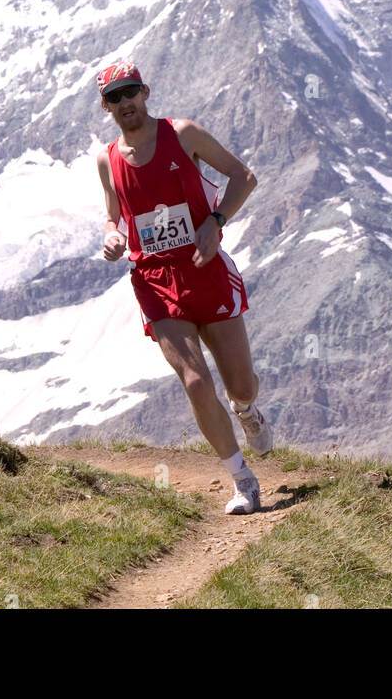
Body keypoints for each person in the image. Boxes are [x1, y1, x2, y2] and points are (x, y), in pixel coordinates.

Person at [96, 59, 272, 515]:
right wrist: (113, 234)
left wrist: (215, 222)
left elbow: (244, 177)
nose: (125, 102)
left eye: (130, 91)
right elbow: (114, 213)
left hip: (206, 268)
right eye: (115, 97)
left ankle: (248, 411)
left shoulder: (183, 134)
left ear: (146, 91)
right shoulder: (108, 159)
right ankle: (242, 480)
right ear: (105, 106)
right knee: (195, 380)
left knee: (240, 384)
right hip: (156, 280)